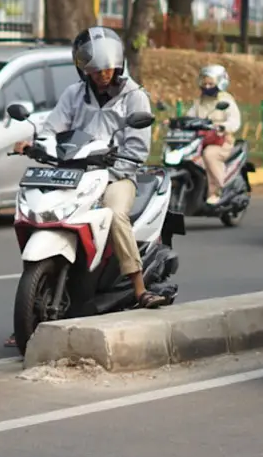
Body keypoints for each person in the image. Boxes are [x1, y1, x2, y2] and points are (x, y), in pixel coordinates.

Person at [13, 26, 170, 312]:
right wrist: (37, 145)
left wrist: (110, 170)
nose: (102, 75)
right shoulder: (74, 94)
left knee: (115, 214)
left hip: (118, 175)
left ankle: (139, 288)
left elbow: (136, 150)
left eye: (107, 69)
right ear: (84, 70)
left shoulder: (135, 97)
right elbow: (52, 129)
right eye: (95, 70)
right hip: (74, 174)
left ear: (118, 65)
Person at [184, 64, 242, 205]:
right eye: (205, 83)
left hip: (222, 142)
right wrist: (177, 122)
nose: (207, 86)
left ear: (221, 83)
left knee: (209, 154)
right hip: (201, 141)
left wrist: (222, 126)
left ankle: (218, 190)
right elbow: (189, 117)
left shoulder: (226, 100)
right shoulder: (199, 101)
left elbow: (235, 121)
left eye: (211, 83)